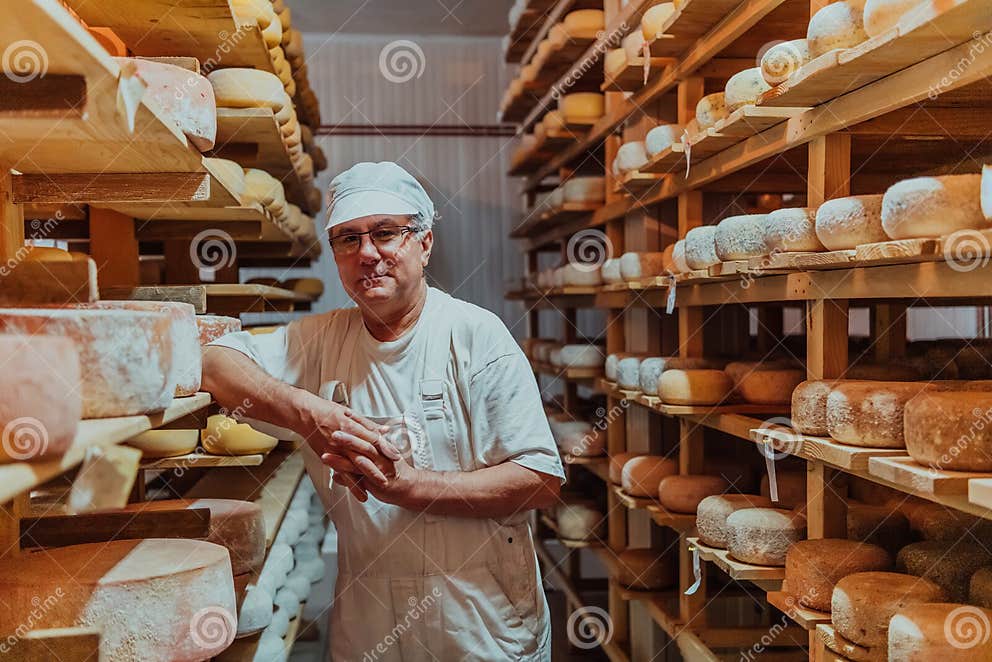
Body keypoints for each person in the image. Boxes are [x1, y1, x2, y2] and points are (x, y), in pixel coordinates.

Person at [201, 161, 564, 661]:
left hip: (481, 625)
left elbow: (540, 479)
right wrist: (308, 412)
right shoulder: (321, 339)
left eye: (385, 233)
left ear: (424, 242)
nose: (367, 254)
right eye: (348, 239)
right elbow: (215, 362)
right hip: (371, 627)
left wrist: (411, 488)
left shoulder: (476, 337)